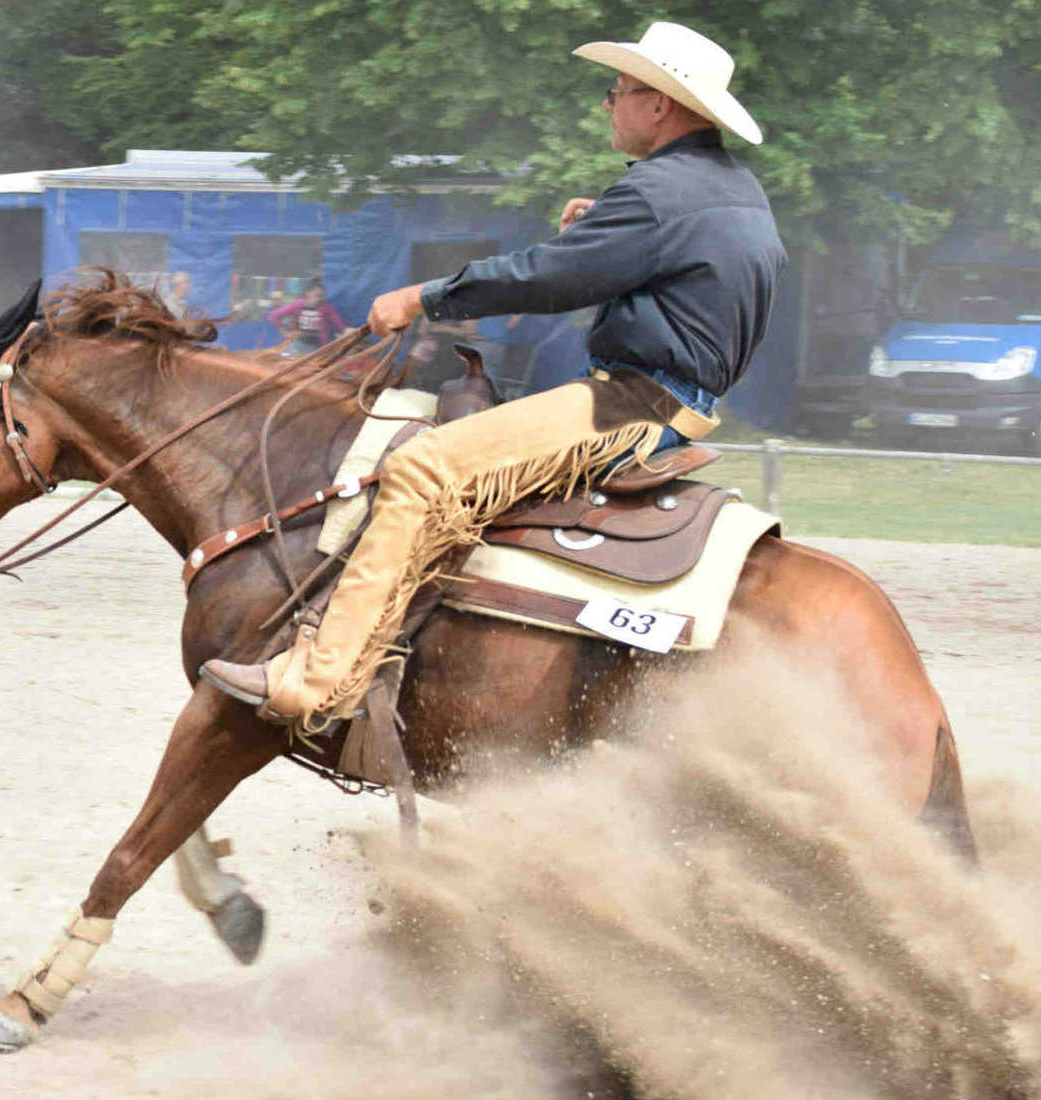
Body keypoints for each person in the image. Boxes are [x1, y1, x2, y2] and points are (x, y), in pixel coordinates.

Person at [202, 20, 786, 728]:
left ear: (659, 104)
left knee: (422, 469)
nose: (609, 105)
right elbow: (686, 279)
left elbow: (546, 278)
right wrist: (607, 226)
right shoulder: (728, 189)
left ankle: (315, 681)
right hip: (678, 400)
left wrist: (424, 296)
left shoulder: (662, 193)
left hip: (629, 406)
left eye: (619, 91)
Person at [266, 278, 346, 354]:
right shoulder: (297, 305)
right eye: (316, 295)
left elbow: (338, 323)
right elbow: (273, 316)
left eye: (321, 296)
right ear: (308, 293)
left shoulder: (325, 308)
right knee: (287, 359)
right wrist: (285, 332)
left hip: (317, 347)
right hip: (298, 344)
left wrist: (345, 330)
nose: (318, 299)